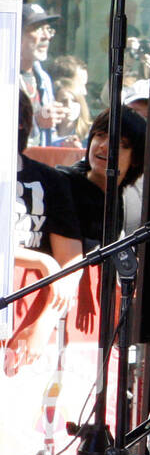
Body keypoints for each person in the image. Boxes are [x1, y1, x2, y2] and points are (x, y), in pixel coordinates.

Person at [7, 91, 83, 375]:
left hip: (31, 313)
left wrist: (43, 325)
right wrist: (41, 261)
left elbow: (72, 260)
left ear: (20, 122)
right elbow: (52, 263)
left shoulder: (49, 180)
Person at [58, 109, 147, 252]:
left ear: (136, 158)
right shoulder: (62, 186)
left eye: (120, 142)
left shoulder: (133, 202)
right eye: (100, 135)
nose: (104, 146)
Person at [19, 4, 66, 148]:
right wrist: (36, 121)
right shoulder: (5, 77)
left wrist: (64, 142)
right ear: (17, 33)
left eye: (48, 29)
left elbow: (46, 139)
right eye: (38, 28)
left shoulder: (43, 79)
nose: (46, 36)